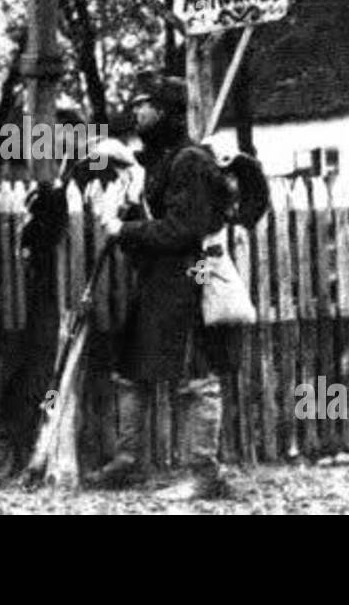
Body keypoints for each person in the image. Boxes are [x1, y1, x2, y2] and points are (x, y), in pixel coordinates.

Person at [89, 74, 234, 501]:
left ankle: (205, 474)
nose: (137, 112)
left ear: (166, 111)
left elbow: (183, 230)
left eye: (145, 105)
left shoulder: (190, 160)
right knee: (131, 368)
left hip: (189, 277)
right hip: (156, 278)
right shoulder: (158, 159)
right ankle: (128, 461)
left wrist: (125, 229)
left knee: (194, 376)